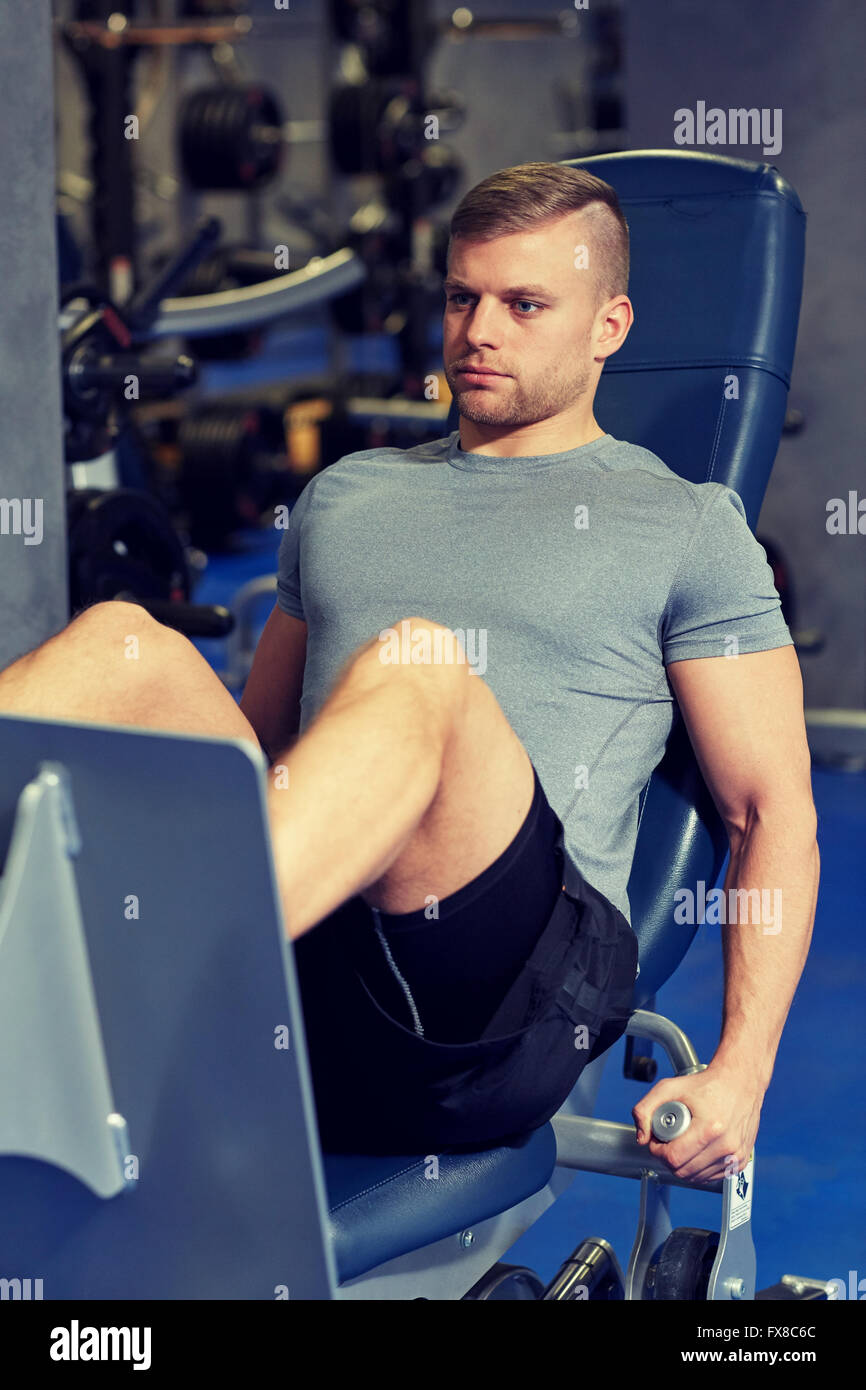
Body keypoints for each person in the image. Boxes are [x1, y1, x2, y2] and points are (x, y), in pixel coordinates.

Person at [0, 163, 819, 1171]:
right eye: (460, 297)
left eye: (524, 305)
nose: (478, 331)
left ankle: (158, 979)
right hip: (323, 962)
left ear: (609, 326)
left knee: (418, 663)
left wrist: (740, 1071)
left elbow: (769, 813)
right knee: (118, 643)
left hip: (501, 1007)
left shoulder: (688, 525)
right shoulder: (345, 494)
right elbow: (257, 749)